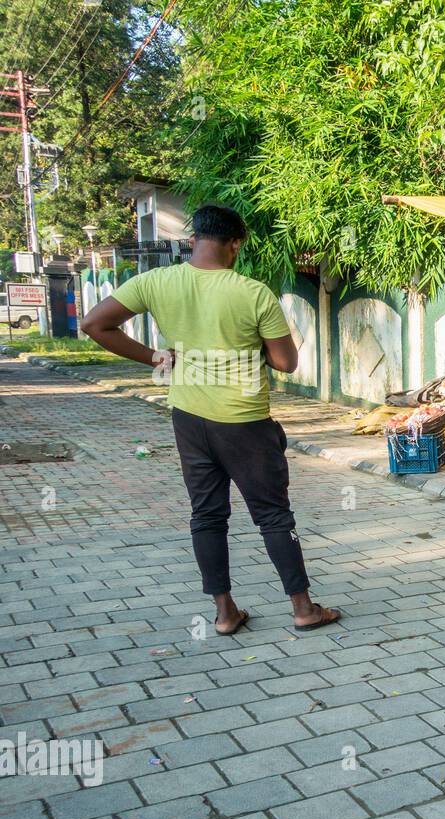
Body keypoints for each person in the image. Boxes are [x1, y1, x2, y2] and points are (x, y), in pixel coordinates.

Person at [82, 205, 340, 636]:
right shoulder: (253, 293)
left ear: (192, 240)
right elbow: (286, 362)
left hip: (189, 418)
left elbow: (95, 324)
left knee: (206, 515)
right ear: (235, 243)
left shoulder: (154, 282)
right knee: (273, 516)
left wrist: (154, 357)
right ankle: (303, 608)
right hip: (244, 422)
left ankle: (224, 613)